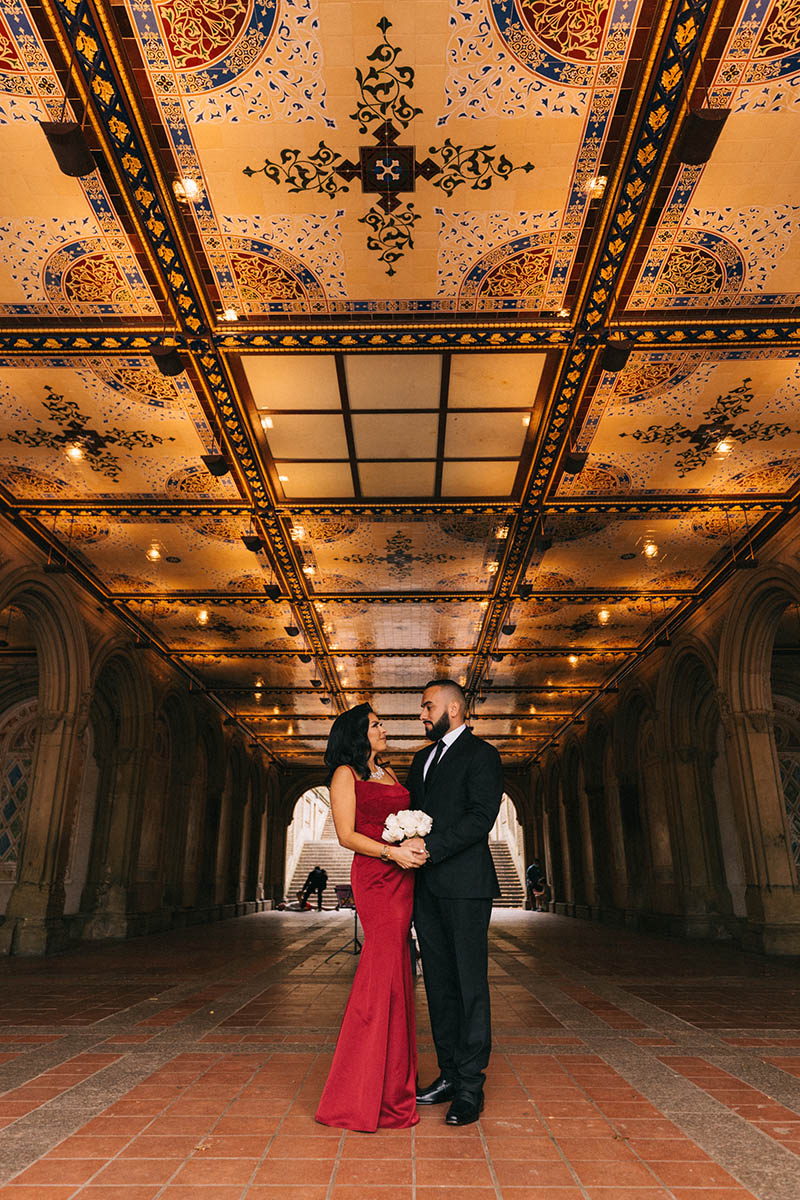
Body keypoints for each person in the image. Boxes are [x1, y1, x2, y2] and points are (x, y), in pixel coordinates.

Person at [315, 703, 427, 1131]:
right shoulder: (346, 775)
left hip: (403, 876)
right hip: (377, 877)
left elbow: (401, 819)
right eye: (376, 724)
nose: (384, 728)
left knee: (399, 971)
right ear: (358, 734)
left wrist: (413, 841)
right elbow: (346, 835)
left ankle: (393, 1083)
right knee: (381, 974)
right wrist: (392, 852)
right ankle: (358, 1092)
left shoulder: (389, 772)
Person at [405, 678, 503, 1126]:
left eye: (428, 706)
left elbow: (481, 818)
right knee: (439, 984)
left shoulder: (482, 755)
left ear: (454, 709)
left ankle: (469, 1087)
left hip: (465, 887)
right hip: (426, 889)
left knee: (469, 985)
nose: (422, 715)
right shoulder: (421, 759)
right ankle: (447, 1074)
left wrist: (430, 848)